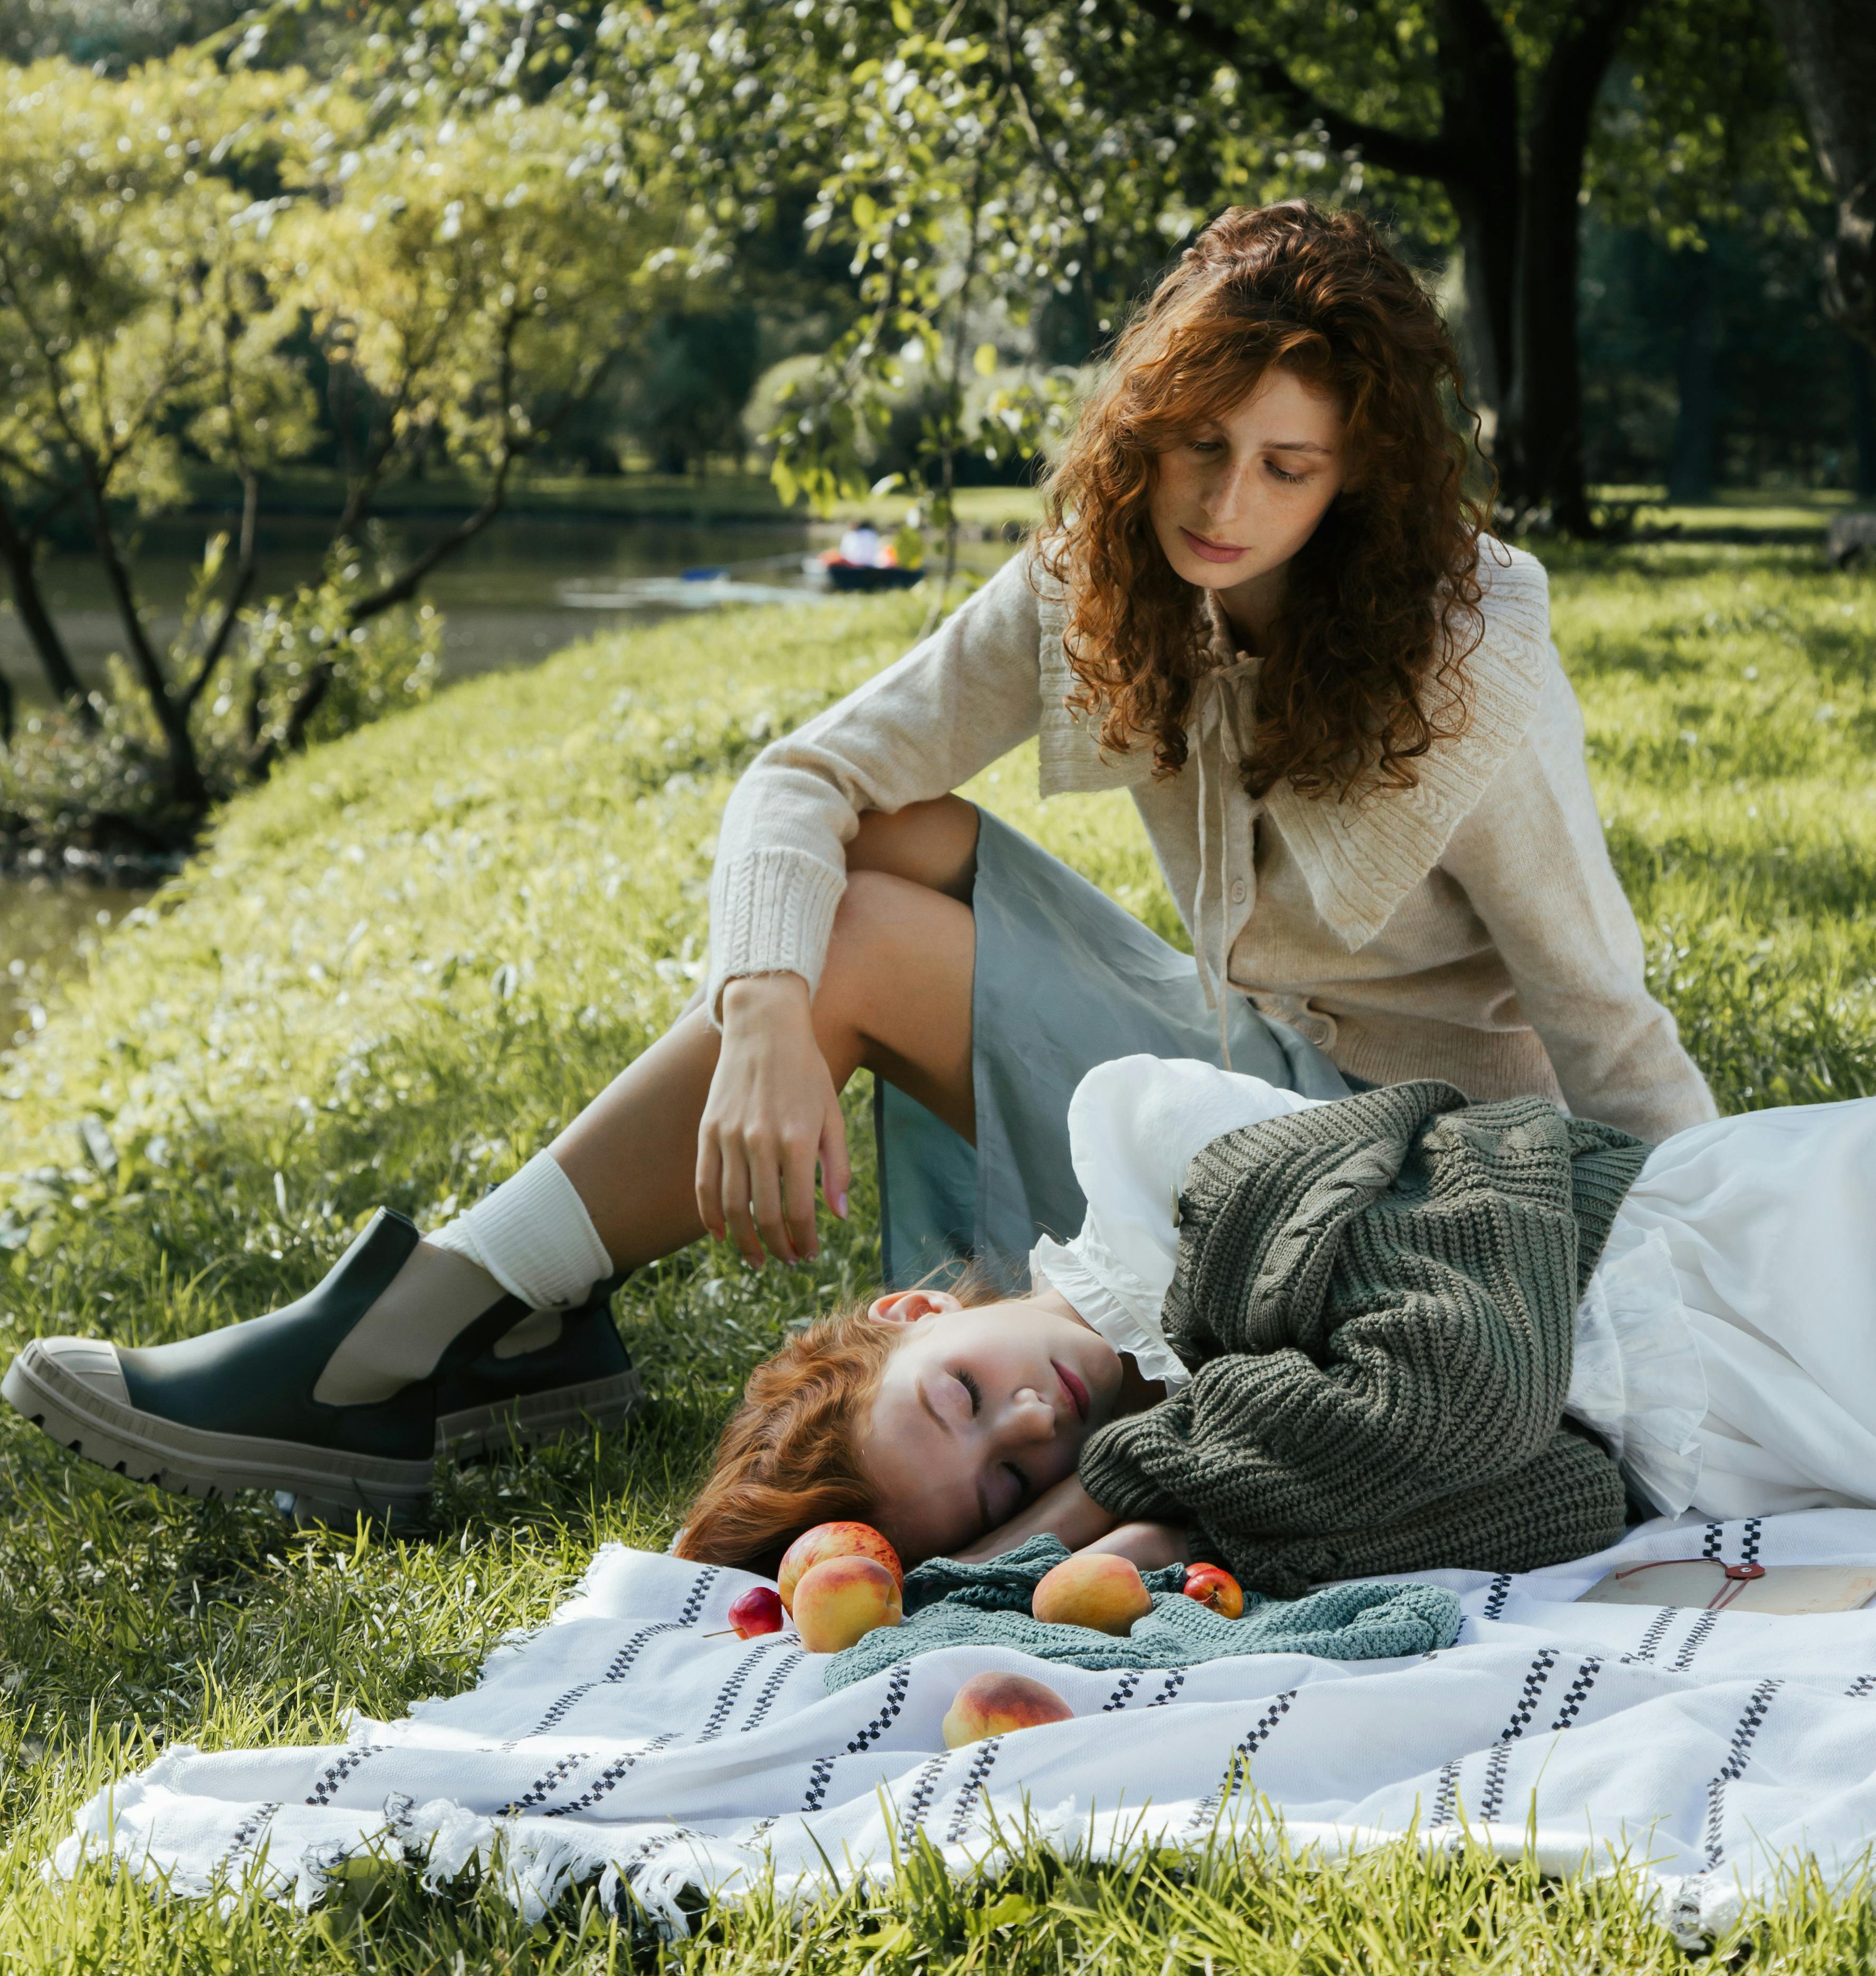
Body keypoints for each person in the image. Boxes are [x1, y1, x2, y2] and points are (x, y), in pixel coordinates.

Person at [0, 201, 1714, 1516]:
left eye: (1285, 467)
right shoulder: (1108, 574)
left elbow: (1602, 1018)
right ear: (1150, 418)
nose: (1224, 501)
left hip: (1392, 1191)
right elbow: (804, 777)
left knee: (880, 930)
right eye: (1199, 442)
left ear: (1358, 477)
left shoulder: (1465, 659)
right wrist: (761, 1014)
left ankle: (446, 1328)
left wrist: (1704, 1297)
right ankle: (478, 1315)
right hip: (1222, 1084)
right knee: (887, 837)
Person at [676, 1057, 1876, 1592]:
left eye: (962, 1394)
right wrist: (1169, 1530)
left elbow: (1457, 1391)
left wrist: (1079, 1508)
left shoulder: (1170, 1171)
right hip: (1788, 1437)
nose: (1034, 1423)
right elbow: (1559, 1497)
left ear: (915, 1310)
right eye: (1006, 1484)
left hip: (1765, 1257)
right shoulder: (1252, 1474)